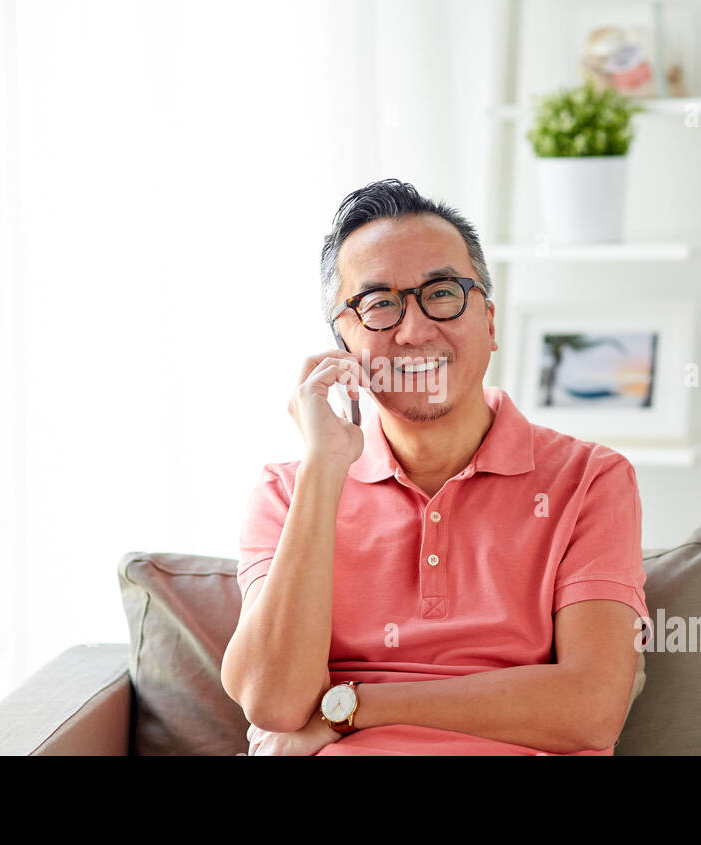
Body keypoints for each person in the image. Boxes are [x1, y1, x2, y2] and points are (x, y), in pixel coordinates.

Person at [220, 178, 652, 756]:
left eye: (443, 292)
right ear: (341, 345)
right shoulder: (285, 492)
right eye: (378, 305)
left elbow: (591, 709)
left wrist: (347, 707)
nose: (415, 329)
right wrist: (324, 469)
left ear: (491, 324)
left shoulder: (591, 480)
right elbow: (273, 699)